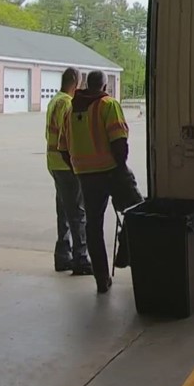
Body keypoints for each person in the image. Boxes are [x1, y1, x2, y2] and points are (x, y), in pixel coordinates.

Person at [58, 70, 144, 294]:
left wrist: (79, 168)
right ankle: (125, 254)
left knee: (93, 227)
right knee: (139, 211)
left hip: (86, 177)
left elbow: (63, 149)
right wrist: (118, 167)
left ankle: (102, 280)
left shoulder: (70, 109)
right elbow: (119, 143)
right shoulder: (108, 104)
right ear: (105, 86)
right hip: (111, 171)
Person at [45, 67, 91, 275]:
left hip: (54, 164)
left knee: (63, 211)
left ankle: (62, 256)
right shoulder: (66, 103)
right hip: (66, 164)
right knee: (77, 213)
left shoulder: (54, 100)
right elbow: (70, 133)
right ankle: (80, 258)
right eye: (80, 82)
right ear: (74, 81)